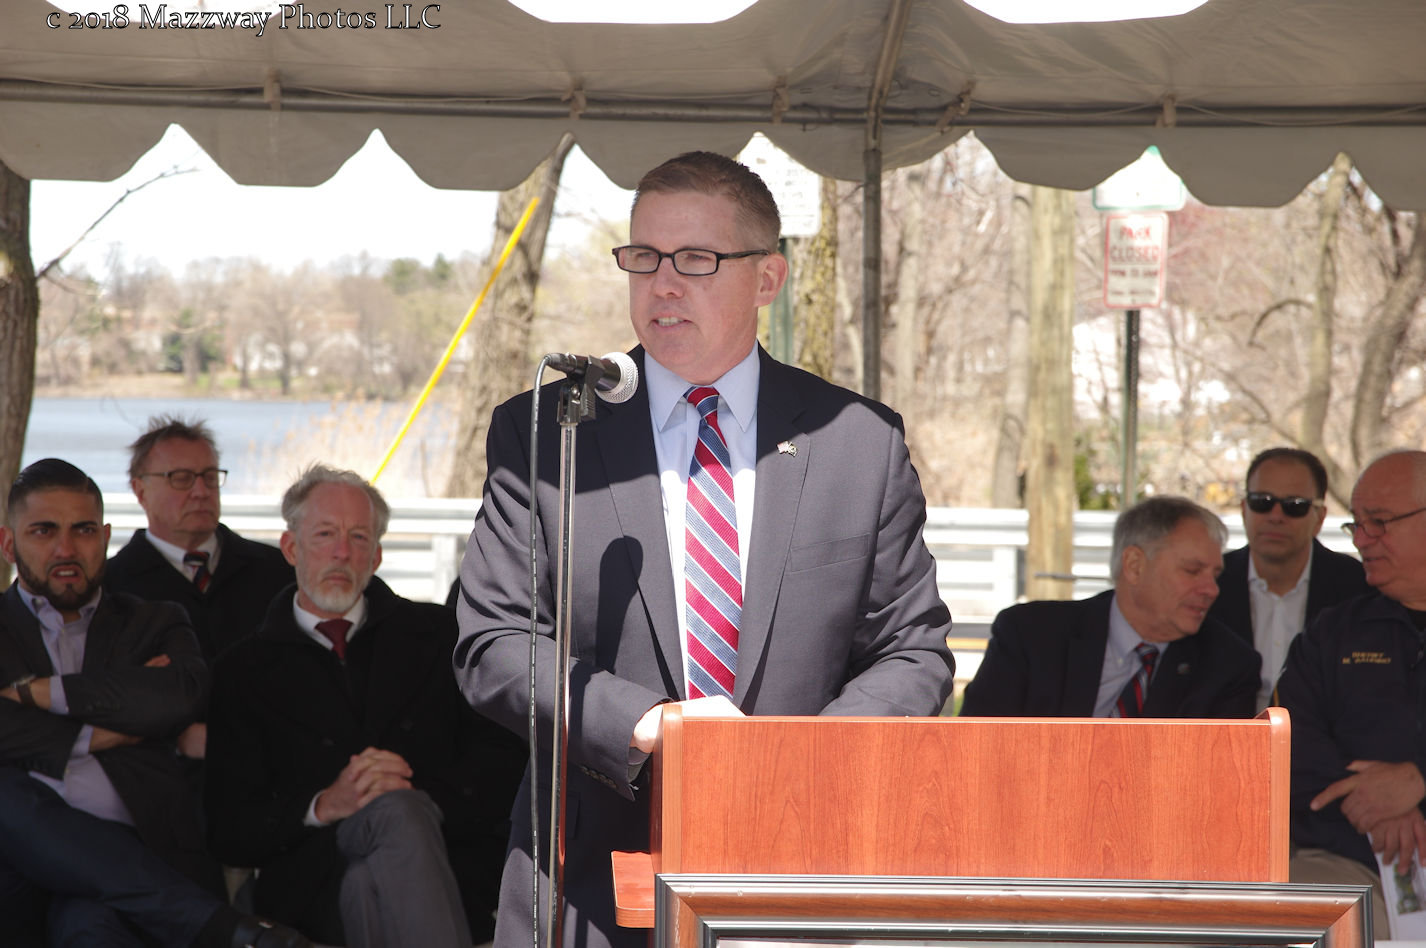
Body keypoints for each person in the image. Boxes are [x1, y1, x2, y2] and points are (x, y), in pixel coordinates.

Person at [453, 150, 955, 948]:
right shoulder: (551, 432)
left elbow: (914, 649)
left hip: (799, 865)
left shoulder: (858, 441)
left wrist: (798, 761)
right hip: (590, 881)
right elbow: (495, 643)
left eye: (696, 260)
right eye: (643, 258)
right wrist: (647, 721)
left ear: (768, 279)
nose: (663, 284)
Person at [205, 464, 525, 947]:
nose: (342, 552)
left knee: (387, 839)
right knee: (371, 857)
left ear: (376, 556)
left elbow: (501, 765)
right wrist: (324, 804)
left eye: (358, 537)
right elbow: (231, 829)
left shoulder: (438, 639)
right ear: (290, 548)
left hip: (444, 866)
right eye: (326, 534)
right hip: (312, 877)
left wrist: (412, 791)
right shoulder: (242, 670)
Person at [0, 458, 309, 948]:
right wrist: (117, 720)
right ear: (8, 543)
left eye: (82, 530)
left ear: (104, 538)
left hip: (146, 846)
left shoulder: (154, 621)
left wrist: (35, 693)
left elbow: (177, 699)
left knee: (89, 925)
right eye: (43, 531)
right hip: (17, 871)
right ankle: (232, 934)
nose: (65, 548)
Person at [1275, 449, 1426, 936]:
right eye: (1356, 525)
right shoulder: (1335, 631)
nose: (1362, 540)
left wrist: (1419, 780)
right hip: (1347, 861)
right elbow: (1288, 737)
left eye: (1379, 523)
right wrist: (1372, 804)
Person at [961, 495, 1260, 718]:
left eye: (1215, 575)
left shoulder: (1228, 666)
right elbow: (975, 750)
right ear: (1134, 565)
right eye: (1193, 571)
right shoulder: (1031, 637)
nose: (1211, 590)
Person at [105, 415, 295, 662]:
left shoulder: (278, 571)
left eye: (210, 477)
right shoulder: (110, 587)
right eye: (181, 478)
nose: (201, 492)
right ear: (141, 491)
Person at [1206, 447, 1369, 711]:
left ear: (1319, 517)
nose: (1276, 516)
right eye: (1262, 502)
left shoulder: (1359, 587)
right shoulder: (1208, 584)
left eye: (1295, 506)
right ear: (1244, 509)